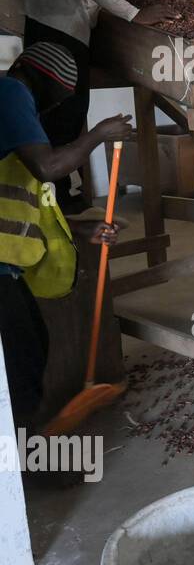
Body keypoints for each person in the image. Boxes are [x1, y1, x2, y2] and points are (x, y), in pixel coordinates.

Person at [24, 0, 186, 213]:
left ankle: (58, 194)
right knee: (64, 108)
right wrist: (135, 13)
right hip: (57, 18)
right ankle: (57, 200)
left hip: (57, 13)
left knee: (65, 107)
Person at [0, 43, 131, 429]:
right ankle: (32, 468)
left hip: (8, 266)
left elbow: (32, 202)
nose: (54, 110)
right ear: (43, 83)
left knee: (31, 348)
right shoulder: (10, 93)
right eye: (56, 99)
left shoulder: (14, 134)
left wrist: (82, 229)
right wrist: (99, 134)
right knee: (20, 368)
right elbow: (49, 167)